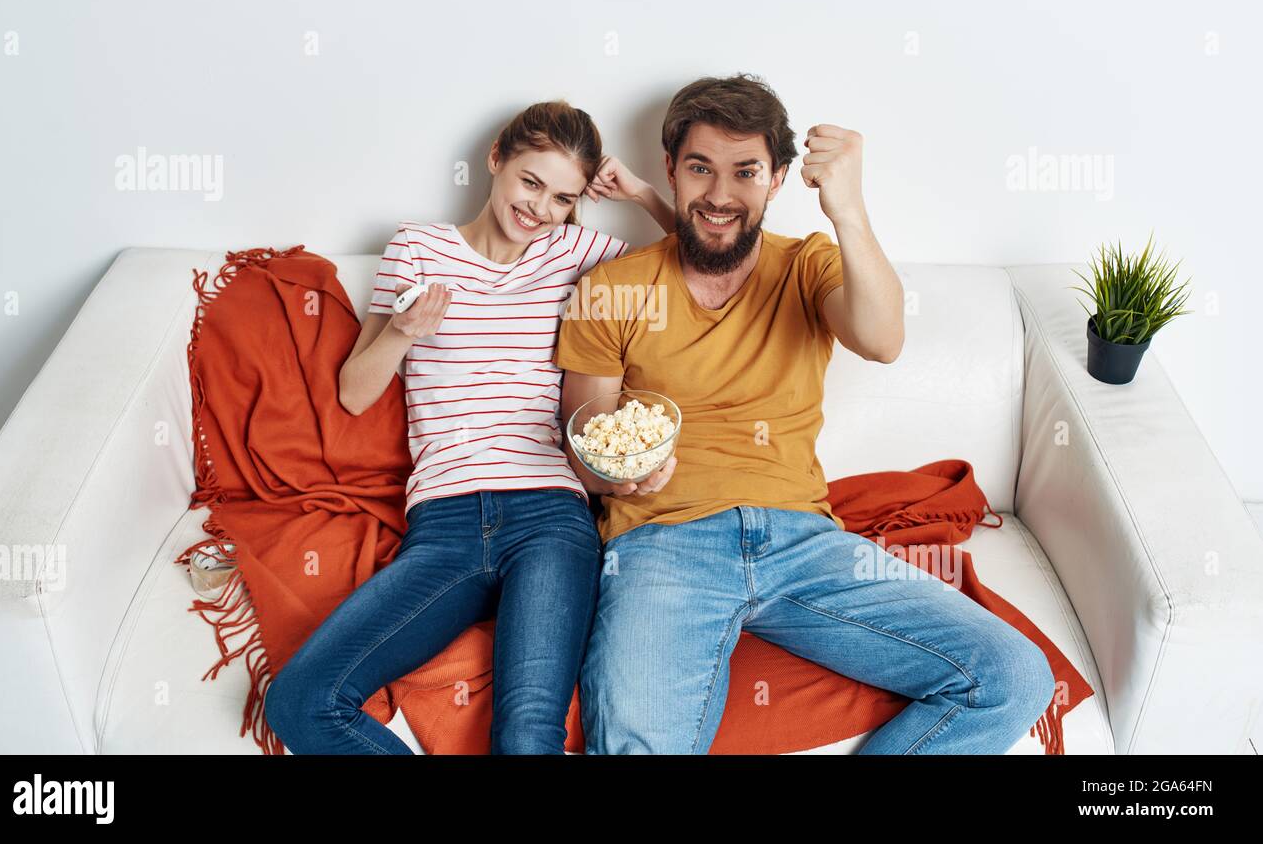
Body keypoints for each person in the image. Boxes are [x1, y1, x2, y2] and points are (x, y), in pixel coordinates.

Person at [554, 74, 1058, 754]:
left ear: (778, 178)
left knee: (1013, 676)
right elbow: (587, 440)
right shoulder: (613, 287)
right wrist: (619, 477)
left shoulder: (808, 266)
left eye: (746, 171)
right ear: (670, 169)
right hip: (662, 545)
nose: (721, 194)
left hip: (804, 543)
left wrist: (847, 209)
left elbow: (883, 339)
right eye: (701, 168)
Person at [264, 100, 675, 754]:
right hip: (445, 523)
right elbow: (352, 391)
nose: (540, 209)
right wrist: (401, 333)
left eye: (563, 197)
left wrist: (644, 193)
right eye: (531, 182)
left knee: (525, 736)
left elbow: (707, 260)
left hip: (550, 516)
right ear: (496, 161)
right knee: (300, 700)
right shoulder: (418, 249)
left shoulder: (577, 251)